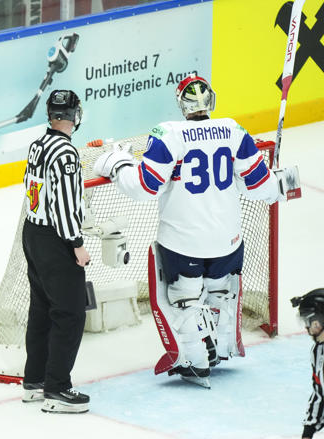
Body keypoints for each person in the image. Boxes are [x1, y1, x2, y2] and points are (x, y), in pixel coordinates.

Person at [93, 74, 300, 388]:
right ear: (211, 100)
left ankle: (197, 361)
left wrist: (117, 163)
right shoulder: (233, 130)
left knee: (185, 298)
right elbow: (260, 186)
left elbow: (145, 187)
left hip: (183, 241)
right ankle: (220, 348)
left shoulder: (168, 135)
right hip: (228, 240)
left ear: (182, 104)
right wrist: (280, 182)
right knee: (220, 292)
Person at [21, 89, 91, 414]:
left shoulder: (38, 144)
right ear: (74, 115)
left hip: (33, 233)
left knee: (42, 309)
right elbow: (63, 205)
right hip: (55, 239)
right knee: (71, 313)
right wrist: (76, 244)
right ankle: (57, 388)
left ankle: (35, 381)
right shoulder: (65, 153)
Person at [291, 289, 324, 439]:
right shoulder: (318, 351)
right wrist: (308, 431)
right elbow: (320, 394)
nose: (307, 327)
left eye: (308, 321)